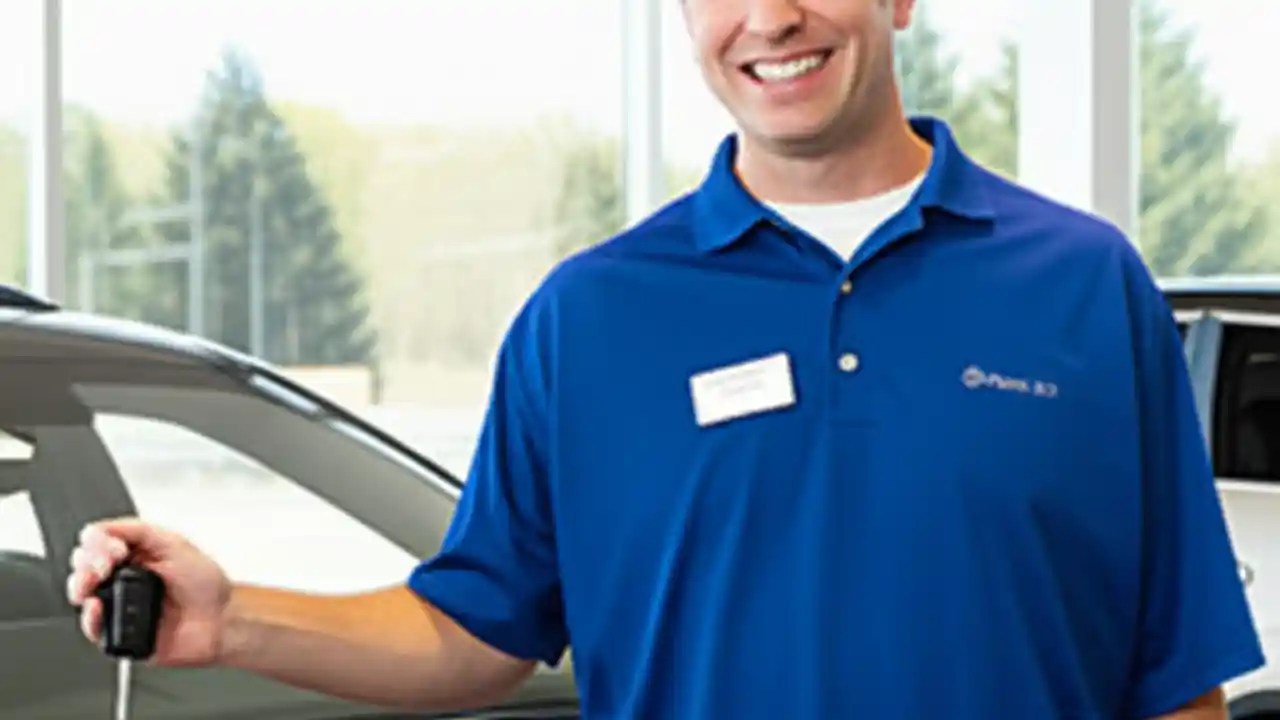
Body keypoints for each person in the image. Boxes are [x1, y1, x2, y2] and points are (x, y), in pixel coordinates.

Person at [67, 0, 1264, 717]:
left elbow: (1174, 671)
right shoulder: (588, 320)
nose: (771, 19)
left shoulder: (1082, 285)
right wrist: (232, 622)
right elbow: (475, 630)